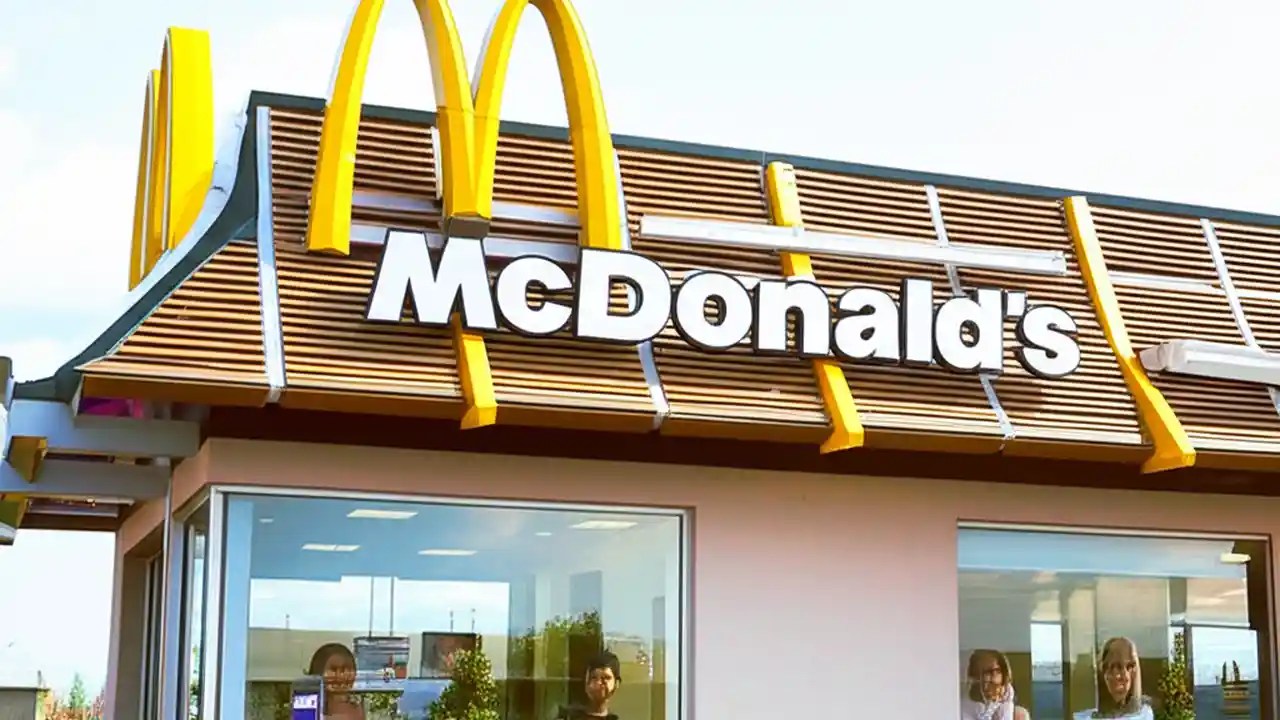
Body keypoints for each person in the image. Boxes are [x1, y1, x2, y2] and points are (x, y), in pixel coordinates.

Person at [1073, 637, 1154, 720]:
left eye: (1130, 666)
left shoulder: (1145, 714)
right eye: (1115, 667)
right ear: (1103, 671)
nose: (1125, 676)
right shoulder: (1082, 718)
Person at [961, 649, 1031, 720]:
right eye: (984, 672)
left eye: (996, 671)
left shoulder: (1007, 691)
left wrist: (996, 701)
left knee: (1021, 714)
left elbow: (1006, 716)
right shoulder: (966, 703)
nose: (987, 678)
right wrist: (991, 705)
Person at [556, 650, 622, 720]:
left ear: (616, 683)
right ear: (586, 682)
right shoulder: (567, 717)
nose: (599, 682)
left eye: (606, 678)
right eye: (594, 677)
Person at [308, 643, 367, 720]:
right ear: (319, 671)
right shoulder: (310, 706)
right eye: (334, 669)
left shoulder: (359, 707)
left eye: (346, 670)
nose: (340, 676)